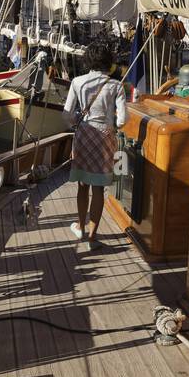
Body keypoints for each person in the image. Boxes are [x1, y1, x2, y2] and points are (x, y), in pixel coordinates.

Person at [63, 41, 127, 252]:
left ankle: (80, 227)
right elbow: (122, 121)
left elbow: (66, 115)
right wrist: (112, 122)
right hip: (105, 136)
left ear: (88, 60)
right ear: (108, 62)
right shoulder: (116, 86)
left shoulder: (77, 82)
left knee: (83, 184)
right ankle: (92, 237)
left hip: (84, 134)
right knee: (99, 187)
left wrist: (77, 122)